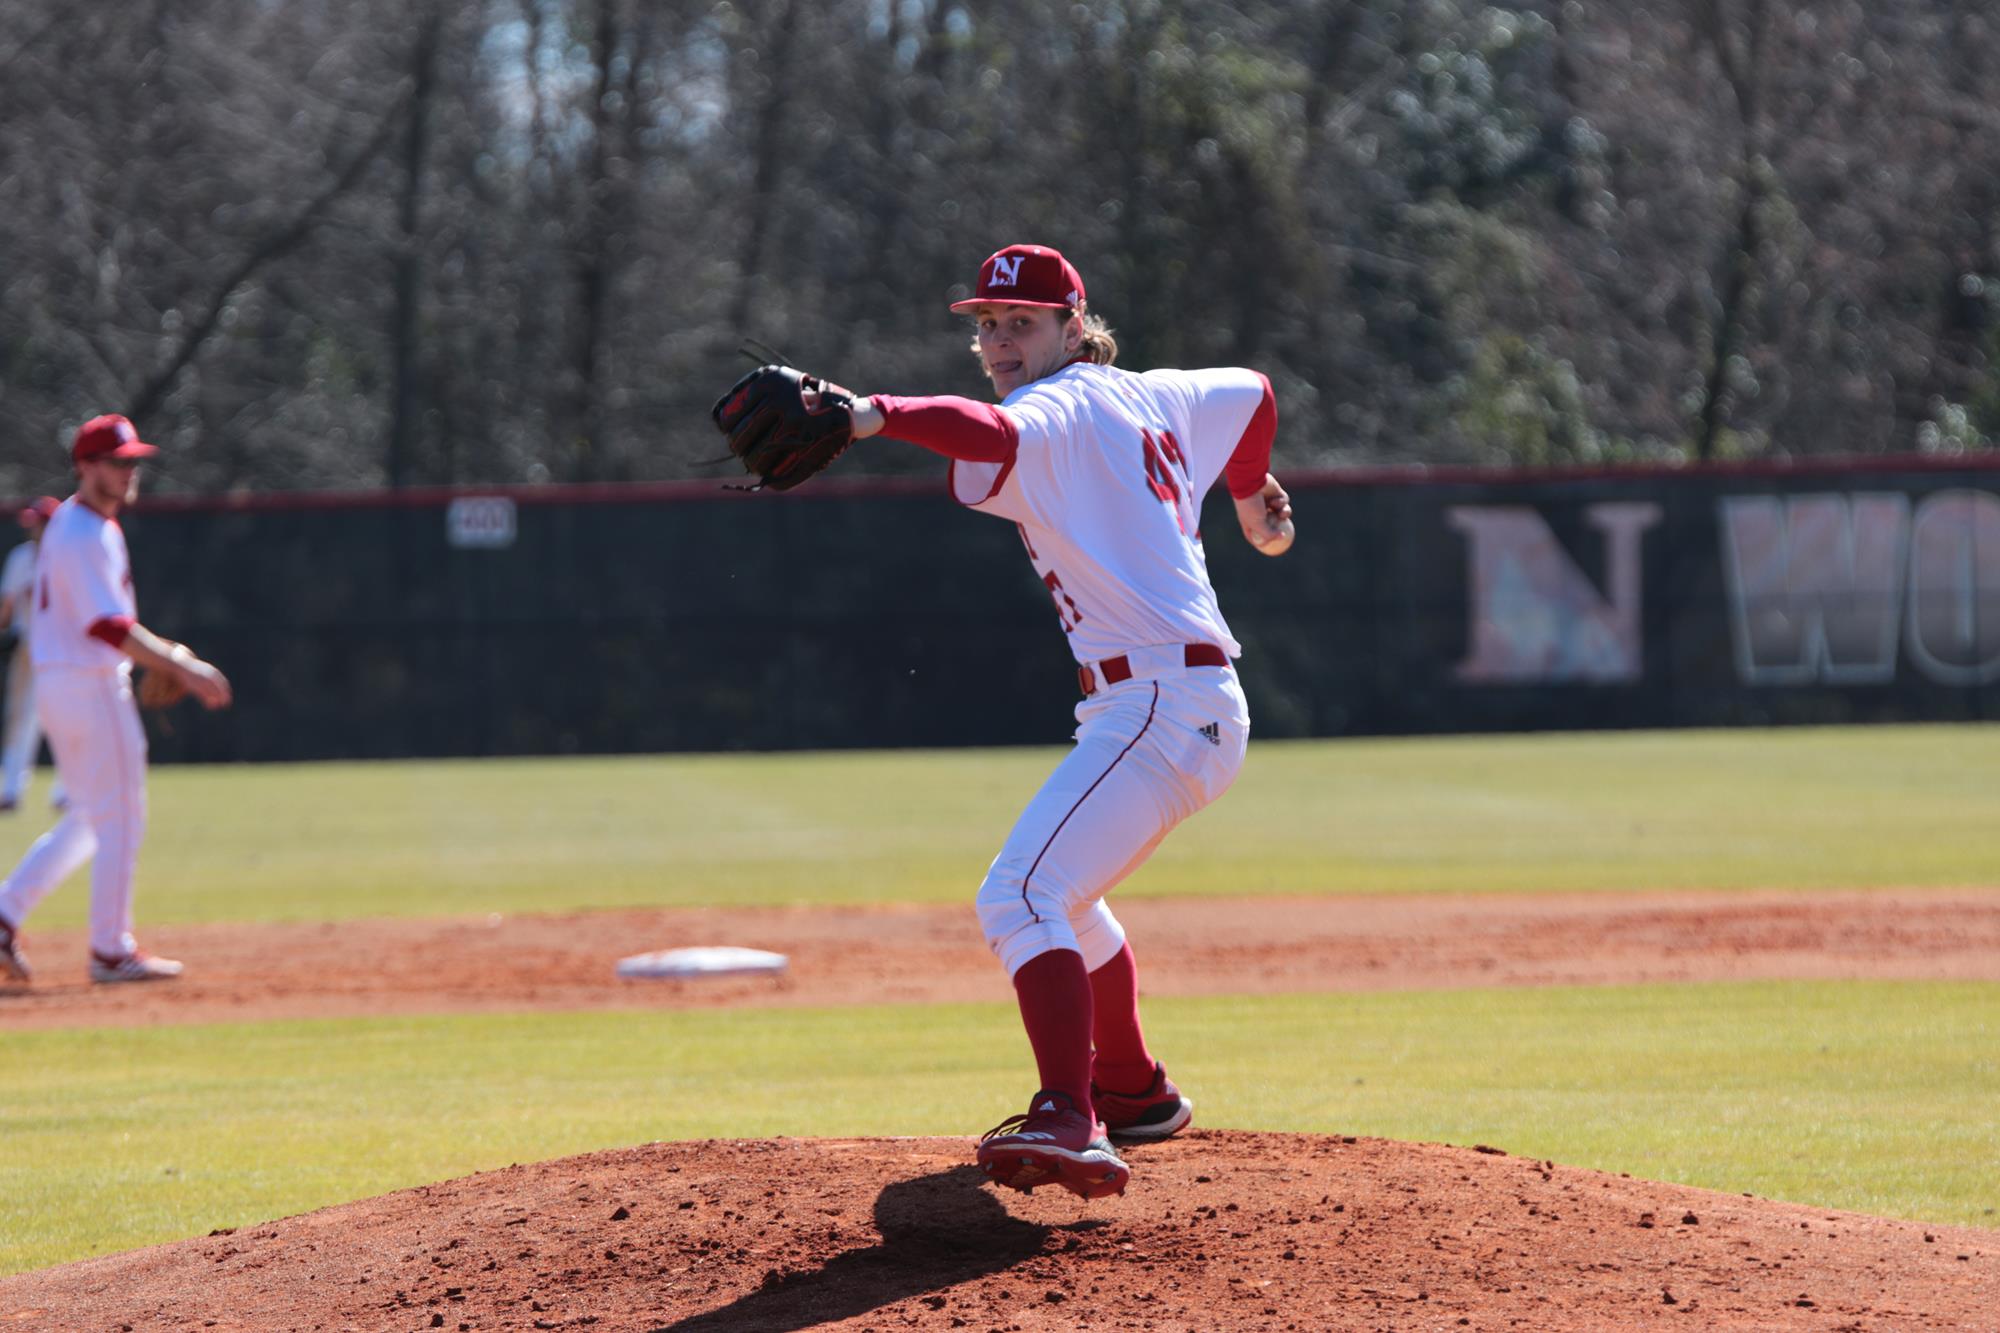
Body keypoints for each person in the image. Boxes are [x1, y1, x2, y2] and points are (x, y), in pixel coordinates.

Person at [831, 244, 1294, 1198]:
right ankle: (1131, 1088)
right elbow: (1252, 392)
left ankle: (1070, 1117)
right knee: (1066, 897)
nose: (999, 341)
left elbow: (983, 435)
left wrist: (874, 414)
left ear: (1073, 326)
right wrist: (1250, 499)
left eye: (1023, 323)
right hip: (1173, 701)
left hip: (1162, 700)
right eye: (987, 326)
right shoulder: (1156, 394)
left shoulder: (1059, 402)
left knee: (1019, 895)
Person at [0, 415, 232, 986]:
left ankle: (4, 916)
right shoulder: (82, 532)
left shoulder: (84, 527)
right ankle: (110, 949)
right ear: (85, 466)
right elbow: (109, 627)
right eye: (117, 461)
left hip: (64, 686)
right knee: (123, 816)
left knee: (87, 819)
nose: (130, 472)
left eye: (133, 462)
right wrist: (181, 662)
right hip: (89, 683)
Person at [0, 496, 67, 813]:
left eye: (40, 523)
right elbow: (6, 608)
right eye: (33, 523)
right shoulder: (21, 558)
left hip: (63, 648)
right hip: (28, 646)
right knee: (20, 719)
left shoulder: (69, 558)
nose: (35, 529)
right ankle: (11, 790)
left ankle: (66, 791)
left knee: (65, 718)